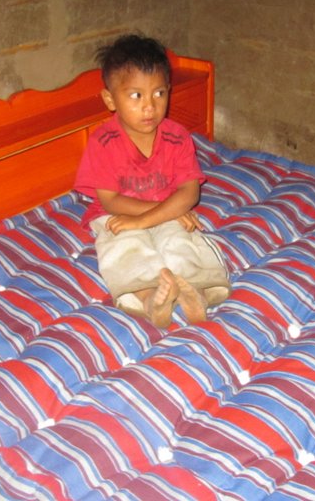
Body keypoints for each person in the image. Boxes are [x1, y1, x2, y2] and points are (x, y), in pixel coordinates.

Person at [74, 34, 230, 328]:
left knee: (181, 238)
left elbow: (189, 192)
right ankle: (148, 298)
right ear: (110, 99)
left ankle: (197, 292)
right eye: (136, 96)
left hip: (166, 209)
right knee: (123, 245)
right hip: (118, 214)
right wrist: (151, 217)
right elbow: (111, 200)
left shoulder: (177, 137)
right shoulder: (103, 142)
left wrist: (159, 215)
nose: (150, 106)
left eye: (159, 93)